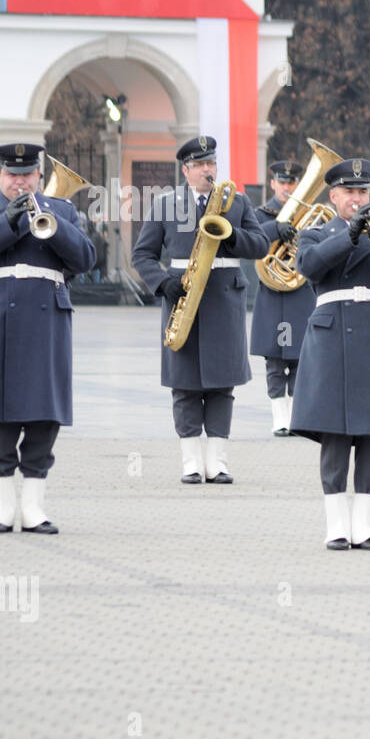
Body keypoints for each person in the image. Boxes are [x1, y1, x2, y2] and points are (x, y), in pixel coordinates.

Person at [0, 143, 96, 533]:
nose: (20, 181)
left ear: (37, 176)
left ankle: (33, 508)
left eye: (28, 174)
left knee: (44, 412)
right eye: (12, 174)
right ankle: (1, 507)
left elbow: (84, 258)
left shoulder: (62, 210)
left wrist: (51, 221)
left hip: (47, 318)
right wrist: (8, 223)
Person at [289, 158, 370, 550]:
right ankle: (336, 526)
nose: (357, 198)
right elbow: (309, 265)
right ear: (334, 196)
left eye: (363, 192)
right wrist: (349, 237)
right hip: (333, 340)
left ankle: (364, 525)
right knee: (336, 436)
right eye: (350, 192)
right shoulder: (315, 233)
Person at [132, 135, 269, 484]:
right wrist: (162, 283)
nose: (208, 171)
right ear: (186, 170)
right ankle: (191, 461)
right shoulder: (165, 204)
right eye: (201, 165)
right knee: (185, 383)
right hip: (183, 295)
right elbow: (142, 254)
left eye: (212, 164)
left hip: (224, 298)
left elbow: (260, 244)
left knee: (222, 384)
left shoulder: (236, 201)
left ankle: (218, 461)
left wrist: (232, 235)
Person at [250, 159, 313, 436]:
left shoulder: (308, 212)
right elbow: (249, 240)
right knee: (274, 360)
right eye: (282, 182)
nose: (287, 187)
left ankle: (297, 416)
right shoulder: (261, 214)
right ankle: (280, 418)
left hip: (300, 294)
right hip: (272, 293)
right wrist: (276, 229)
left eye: (291, 182)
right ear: (273, 183)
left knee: (301, 358)